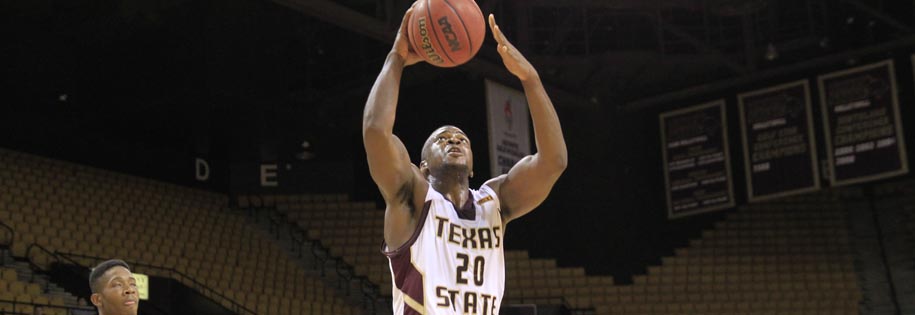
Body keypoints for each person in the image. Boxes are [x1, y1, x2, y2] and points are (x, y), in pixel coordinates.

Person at [363, 5, 567, 314]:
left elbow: (553, 161)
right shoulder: (413, 199)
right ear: (423, 166)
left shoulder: (494, 203)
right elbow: (376, 132)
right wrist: (397, 59)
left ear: (472, 166)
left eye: (462, 139)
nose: (454, 141)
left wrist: (531, 79)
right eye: (442, 139)